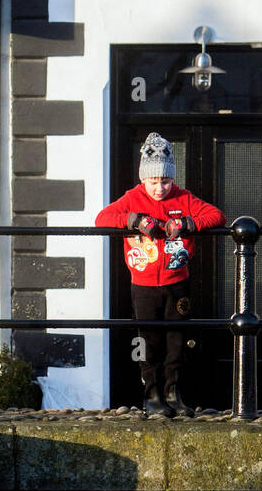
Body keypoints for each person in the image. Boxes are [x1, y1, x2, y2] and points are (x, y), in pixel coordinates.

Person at [95, 132, 225, 418]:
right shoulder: (132, 198)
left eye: (165, 181)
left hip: (177, 282)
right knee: (149, 339)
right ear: (144, 179)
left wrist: (188, 223)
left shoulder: (184, 197)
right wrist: (134, 220)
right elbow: (102, 218)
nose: (159, 189)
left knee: (176, 340)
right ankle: (151, 394)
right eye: (153, 182)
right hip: (142, 285)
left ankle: (173, 392)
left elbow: (217, 216)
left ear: (172, 179)